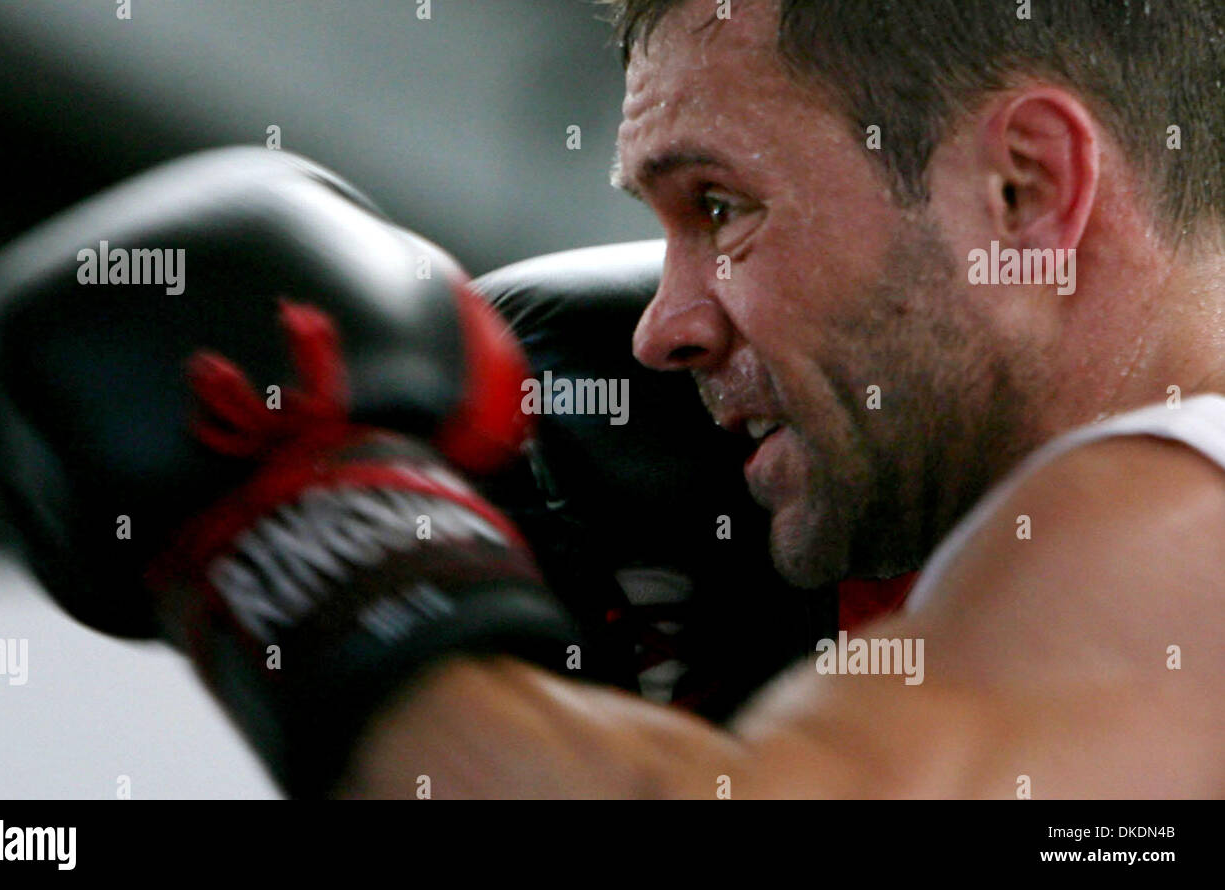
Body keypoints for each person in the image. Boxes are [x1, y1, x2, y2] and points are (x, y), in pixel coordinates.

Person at [343, 0, 1225, 797]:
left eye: (722, 207)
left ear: (1022, 191)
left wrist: (333, 544)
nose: (662, 330)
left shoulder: (1188, 522)